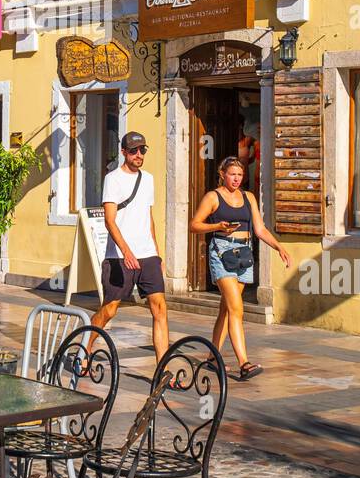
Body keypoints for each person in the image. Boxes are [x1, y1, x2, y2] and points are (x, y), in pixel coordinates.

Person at [189, 155, 291, 379]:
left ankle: (211, 358)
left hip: (244, 253)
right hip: (221, 251)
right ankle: (244, 363)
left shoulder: (249, 197)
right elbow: (194, 225)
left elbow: (260, 229)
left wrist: (278, 247)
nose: (236, 179)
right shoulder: (213, 197)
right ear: (223, 175)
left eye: (240, 175)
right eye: (232, 174)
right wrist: (217, 225)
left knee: (226, 309)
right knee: (237, 309)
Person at [90, 131, 170, 366]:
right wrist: (126, 251)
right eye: (133, 150)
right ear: (123, 152)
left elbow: (149, 217)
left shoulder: (148, 179)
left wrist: (156, 252)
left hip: (147, 255)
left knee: (159, 309)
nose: (138, 155)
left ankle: (162, 367)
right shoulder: (112, 179)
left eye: (142, 150)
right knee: (110, 310)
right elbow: (109, 220)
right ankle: (86, 346)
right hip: (119, 257)